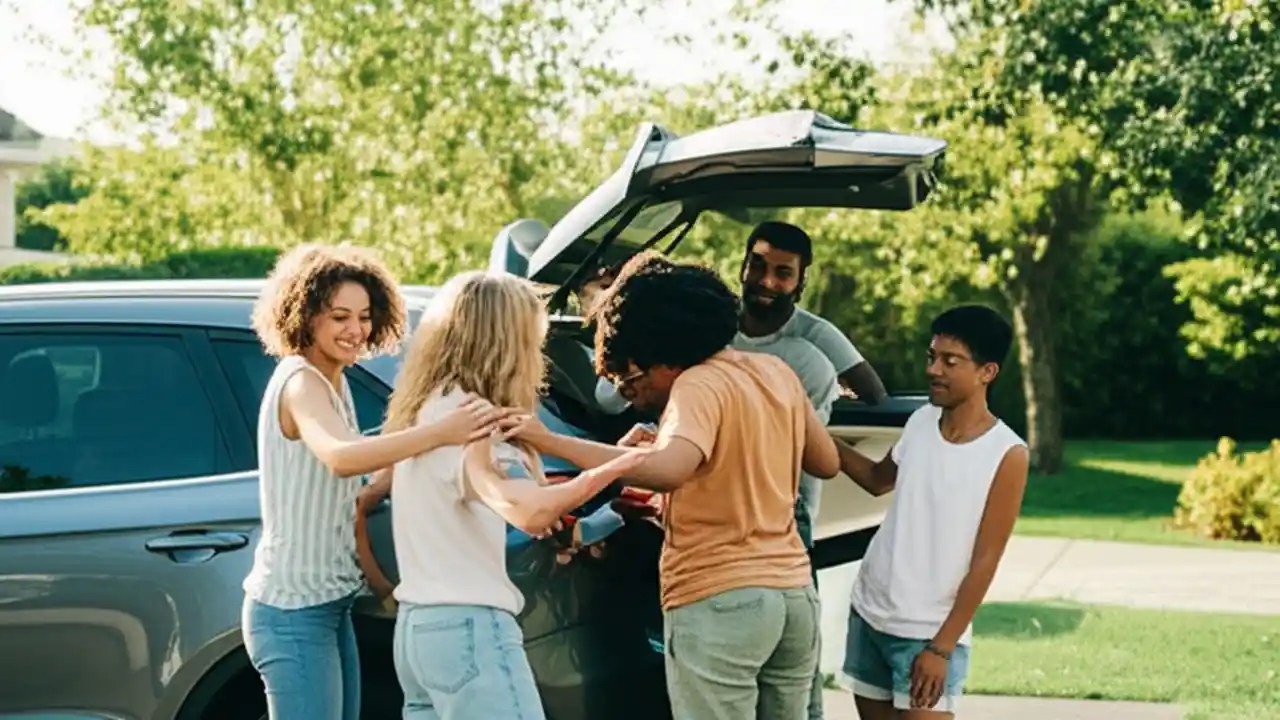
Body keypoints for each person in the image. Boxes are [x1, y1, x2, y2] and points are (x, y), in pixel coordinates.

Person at [500, 251, 841, 720]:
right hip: (793, 597)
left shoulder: (696, 384)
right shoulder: (775, 372)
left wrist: (549, 438)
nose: (632, 392)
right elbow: (826, 461)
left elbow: (670, 469)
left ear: (660, 354)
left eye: (631, 378)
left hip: (721, 598)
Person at [241, 243, 500, 720]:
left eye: (363, 316)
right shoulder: (300, 382)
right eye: (339, 317)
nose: (355, 330)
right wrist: (439, 432)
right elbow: (341, 458)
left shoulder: (334, 381)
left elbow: (351, 495)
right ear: (305, 315)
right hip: (293, 614)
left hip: (330, 606)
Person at [379, 270, 644, 720]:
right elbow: (527, 511)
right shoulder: (471, 420)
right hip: (470, 628)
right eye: (533, 342)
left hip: (418, 631)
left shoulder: (428, 411)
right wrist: (624, 465)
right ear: (507, 343)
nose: (537, 359)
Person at [835, 305, 1029, 719]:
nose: (933, 370)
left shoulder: (1007, 454)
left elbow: (986, 559)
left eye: (950, 361)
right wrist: (813, 430)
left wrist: (942, 647)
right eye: (932, 356)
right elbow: (875, 479)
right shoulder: (921, 421)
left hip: (929, 634)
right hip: (871, 612)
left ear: (987, 372)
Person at [736, 220, 887, 405]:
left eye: (782, 273)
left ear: (800, 283)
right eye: (758, 266)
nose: (767, 281)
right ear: (743, 268)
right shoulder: (714, 323)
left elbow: (875, 397)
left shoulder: (816, 335)